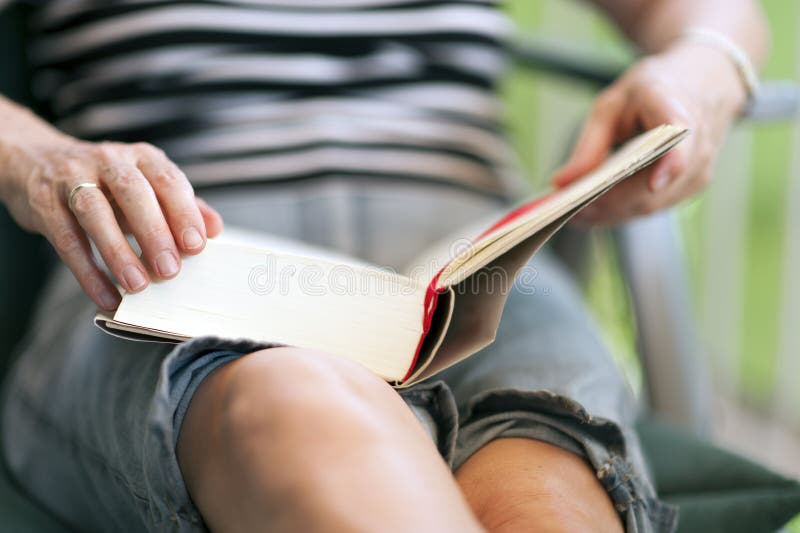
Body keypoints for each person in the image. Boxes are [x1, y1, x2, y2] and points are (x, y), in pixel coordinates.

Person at [0, 0, 767, 532]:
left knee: (546, 493)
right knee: (296, 406)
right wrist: (39, 154)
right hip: (176, 253)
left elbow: (714, 14)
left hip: (476, 262)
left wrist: (703, 70)